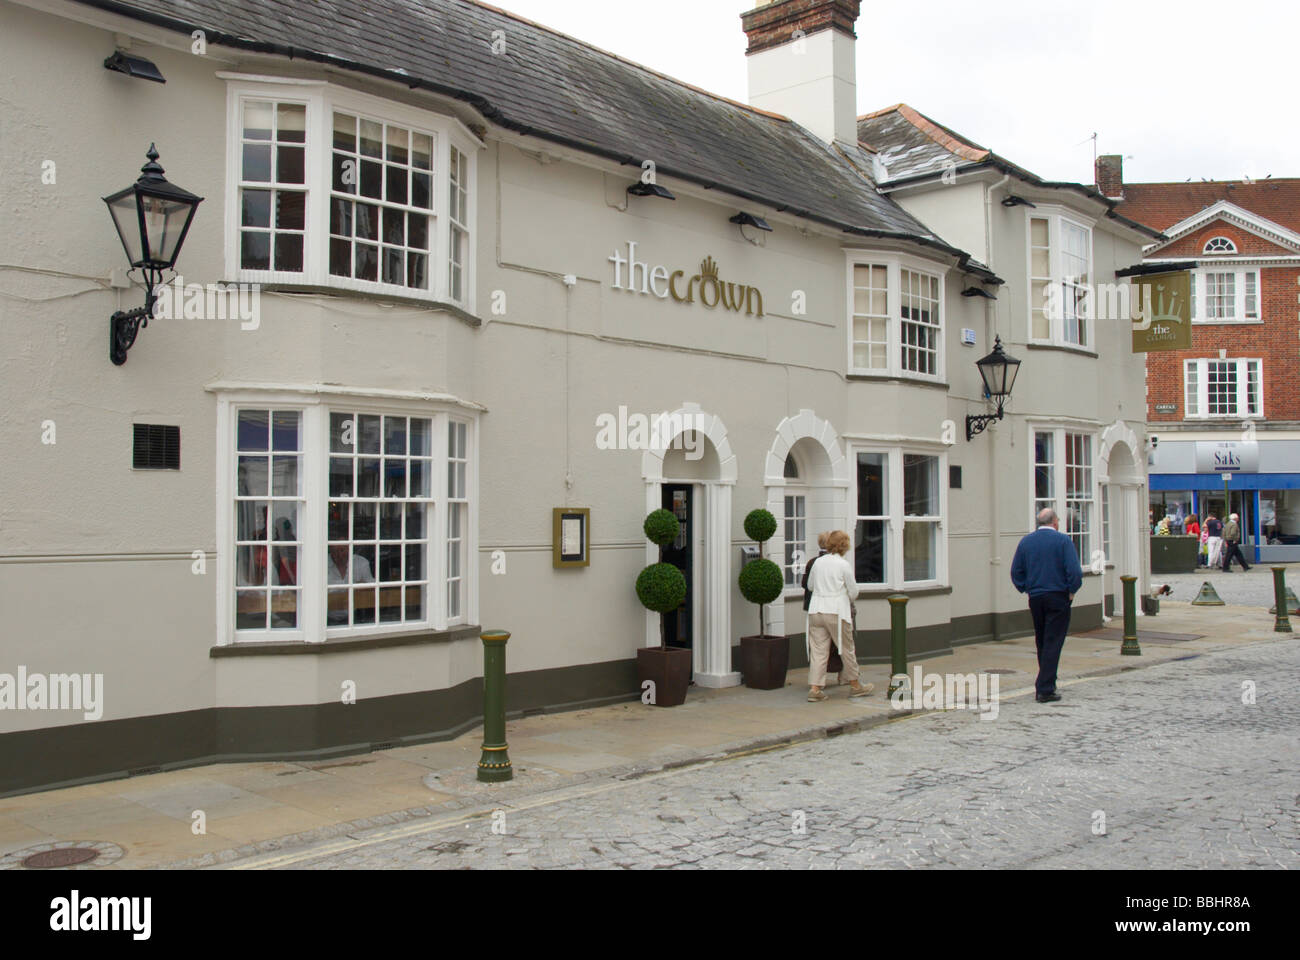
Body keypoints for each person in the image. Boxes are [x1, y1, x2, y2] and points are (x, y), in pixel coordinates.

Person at [1011, 508, 1083, 703]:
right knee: (1054, 641)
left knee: (1042, 639)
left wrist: (1026, 587)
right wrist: (1071, 591)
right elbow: (1074, 572)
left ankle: (1047, 680)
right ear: (1055, 522)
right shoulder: (1063, 541)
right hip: (1058, 595)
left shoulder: (1026, 542)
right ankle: (1045, 687)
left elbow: (1016, 571)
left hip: (1036, 597)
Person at [805, 530, 873, 702]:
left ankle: (815, 688)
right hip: (836, 611)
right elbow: (854, 591)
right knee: (847, 649)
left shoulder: (818, 563)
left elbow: (810, 586)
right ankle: (856, 686)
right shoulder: (843, 565)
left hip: (816, 611)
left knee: (818, 651)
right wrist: (843, 597)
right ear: (844, 546)